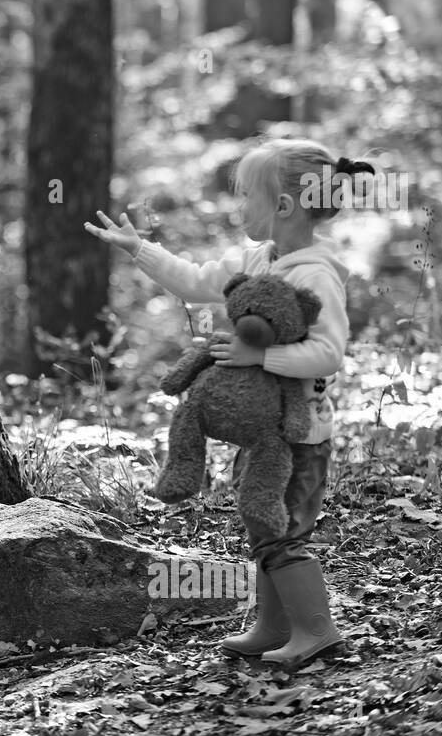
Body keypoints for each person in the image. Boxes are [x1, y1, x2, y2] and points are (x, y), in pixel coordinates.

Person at [85, 139, 373, 666]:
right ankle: (271, 626)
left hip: (299, 434)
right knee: (263, 528)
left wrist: (258, 356)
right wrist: (138, 248)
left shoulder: (315, 275)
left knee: (282, 532)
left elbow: (329, 354)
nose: (237, 207)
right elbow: (195, 283)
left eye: (245, 196)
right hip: (261, 434)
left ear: (283, 207)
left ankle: (318, 630)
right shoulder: (257, 258)